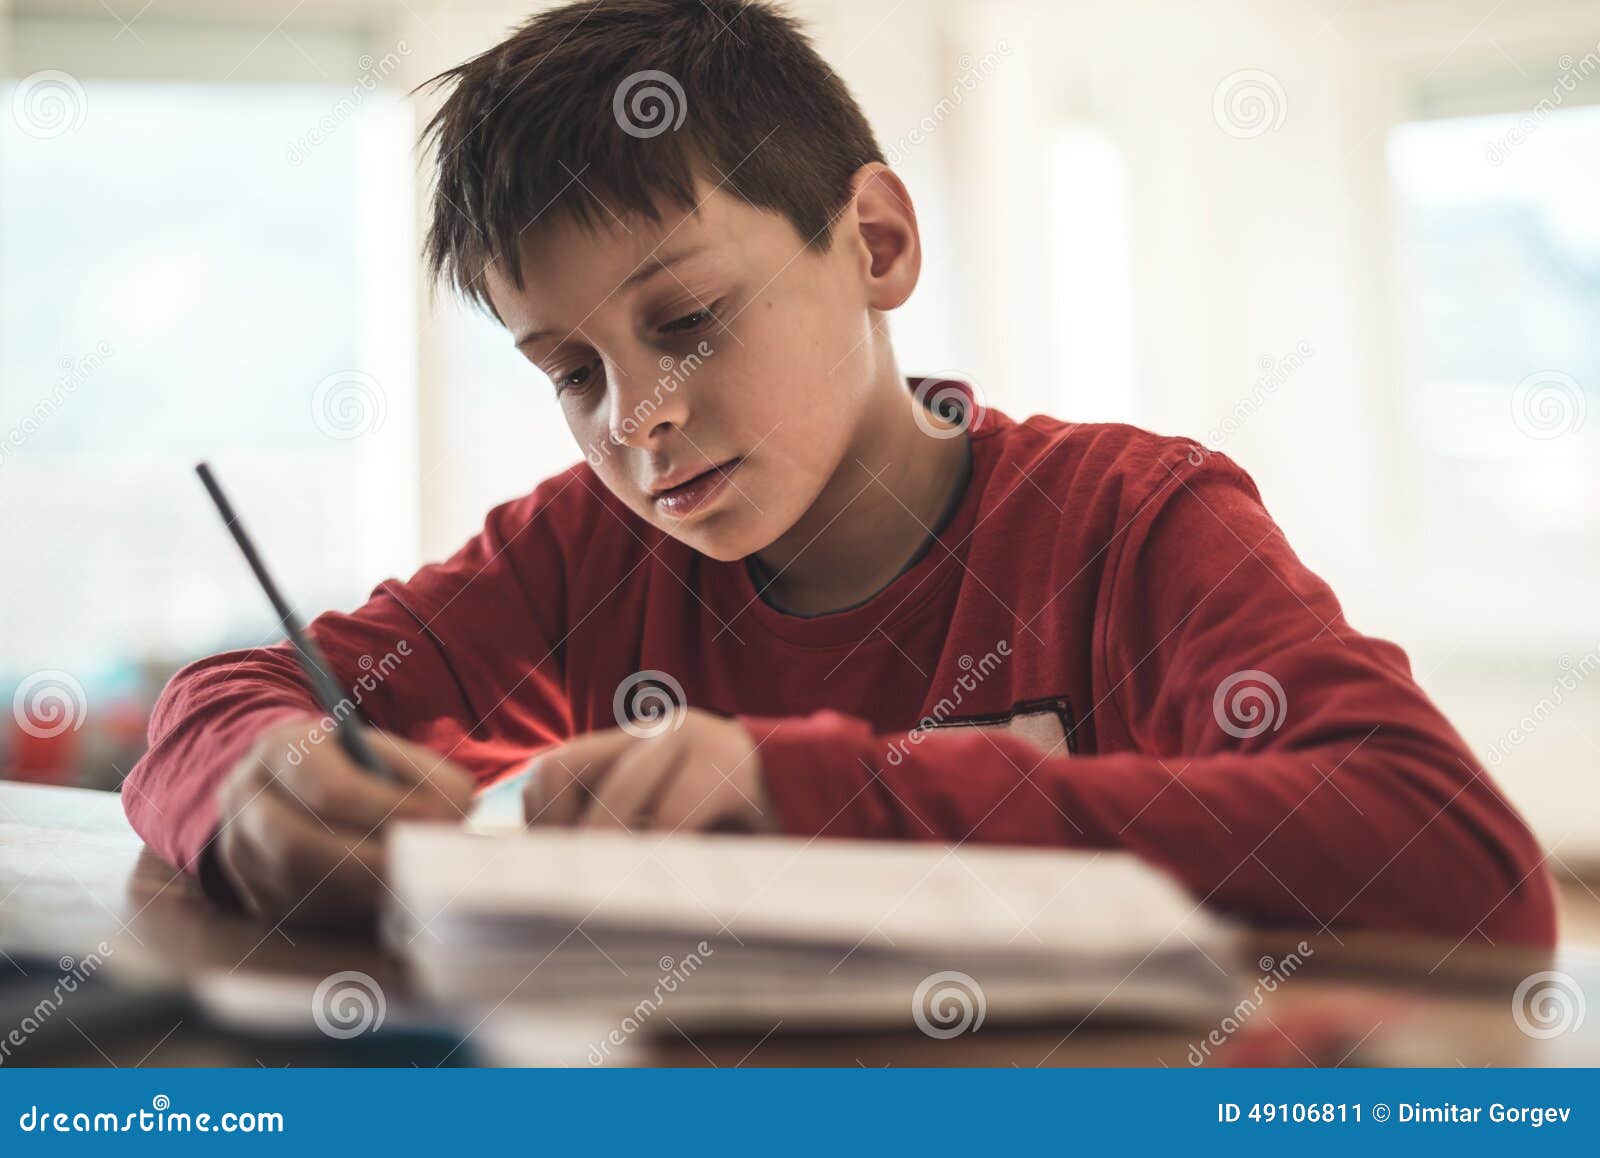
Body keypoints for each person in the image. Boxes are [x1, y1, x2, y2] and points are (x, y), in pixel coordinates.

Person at [123, 0, 1555, 945]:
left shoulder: (1129, 523)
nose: (637, 421)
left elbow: (1457, 860)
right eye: (569, 370)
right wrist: (251, 782)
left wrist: (810, 795)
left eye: (688, 320)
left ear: (874, 244)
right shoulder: (580, 553)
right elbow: (220, 702)